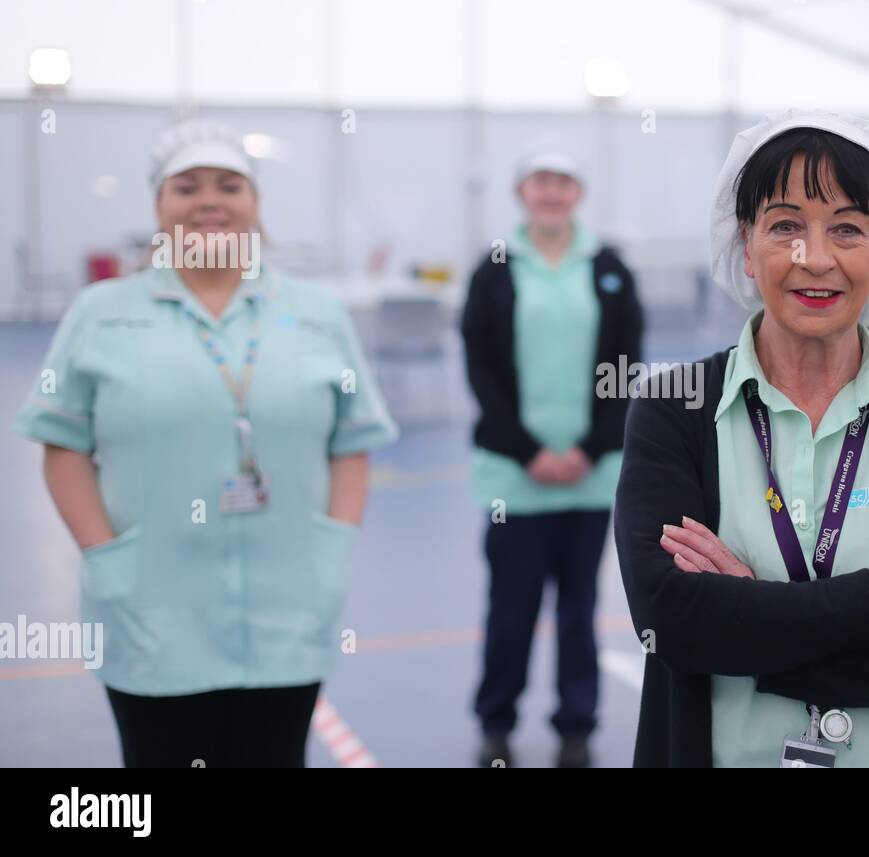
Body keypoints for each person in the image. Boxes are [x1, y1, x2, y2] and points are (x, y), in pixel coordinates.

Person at [615, 110, 869, 767]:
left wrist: (755, 620)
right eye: (785, 226)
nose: (817, 258)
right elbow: (671, 621)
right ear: (746, 242)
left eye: (848, 228)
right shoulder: (675, 409)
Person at [12, 118, 398, 767]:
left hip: (289, 604)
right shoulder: (102, 313)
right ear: (159, 207)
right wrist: (107, 559)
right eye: (185, 187)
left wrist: (334, 548)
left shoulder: (315, 313)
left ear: (256, 205)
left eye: (229, 185)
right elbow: (62, 443)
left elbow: (351, 441)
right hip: (151, 606)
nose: (209, 200)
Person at [460, 149, 642, 768]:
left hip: (589, 480)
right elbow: (481, 370)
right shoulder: (494, 270)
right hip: (516, 478)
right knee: (510, 610)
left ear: (577, 193)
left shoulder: (608, 267)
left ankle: (575, 728)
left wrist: (588, 450)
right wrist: (529, 452)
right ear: (521, 190)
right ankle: (496, 722)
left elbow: (626, 366)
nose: (552, 192)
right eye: (541, 181)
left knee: (578, 611)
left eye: (563, 182)